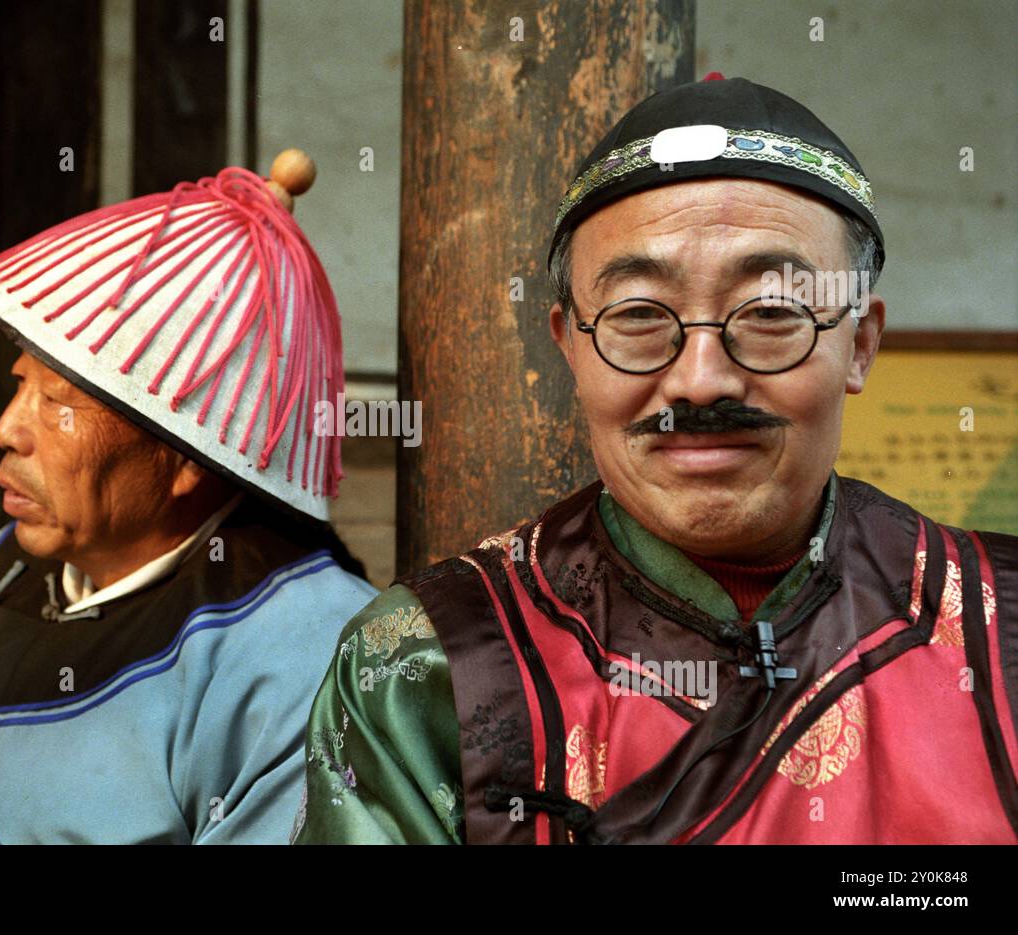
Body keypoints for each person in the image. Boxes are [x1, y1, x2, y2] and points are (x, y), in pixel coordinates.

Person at [293, 76, 1018, 844]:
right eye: (639, 315)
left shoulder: (997, 630)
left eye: (770, 313)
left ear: (860, 343)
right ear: (569, 345)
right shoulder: (428, 663)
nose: (701, 377)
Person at [0, 151, 377, 844]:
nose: (7, 429)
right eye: (19, 386)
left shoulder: (305, 650)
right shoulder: (4, 574)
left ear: (184, 460)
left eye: (57, 404)